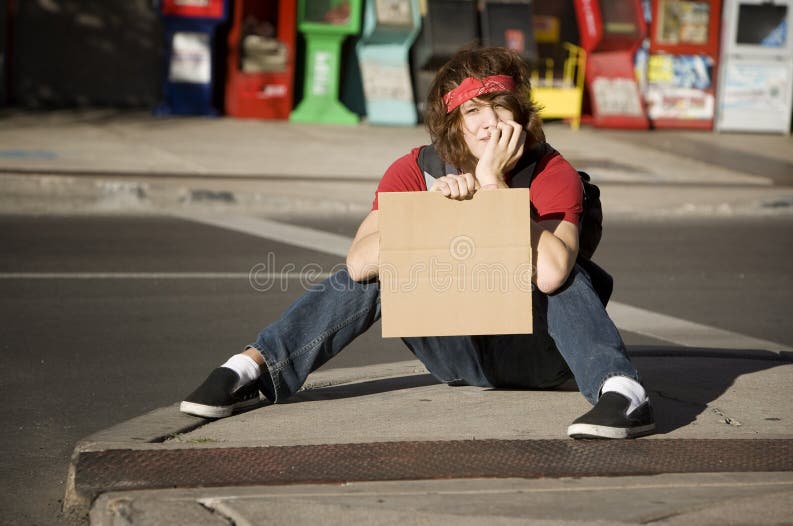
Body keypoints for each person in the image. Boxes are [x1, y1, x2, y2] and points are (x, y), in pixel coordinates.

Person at [180, 45, 656, 439]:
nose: (489, 123)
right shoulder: (414, 169)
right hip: (454, 351)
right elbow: (360, 263)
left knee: (571, 273)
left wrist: (494, 189)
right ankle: (254, 367)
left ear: (521, 113)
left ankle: (621, 392)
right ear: (454, 122)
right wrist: (428, 216)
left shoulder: (554, 172)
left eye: (500, 106)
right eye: (473, 110)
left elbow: (551, 273)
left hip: (534, 353)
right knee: (385, 267)